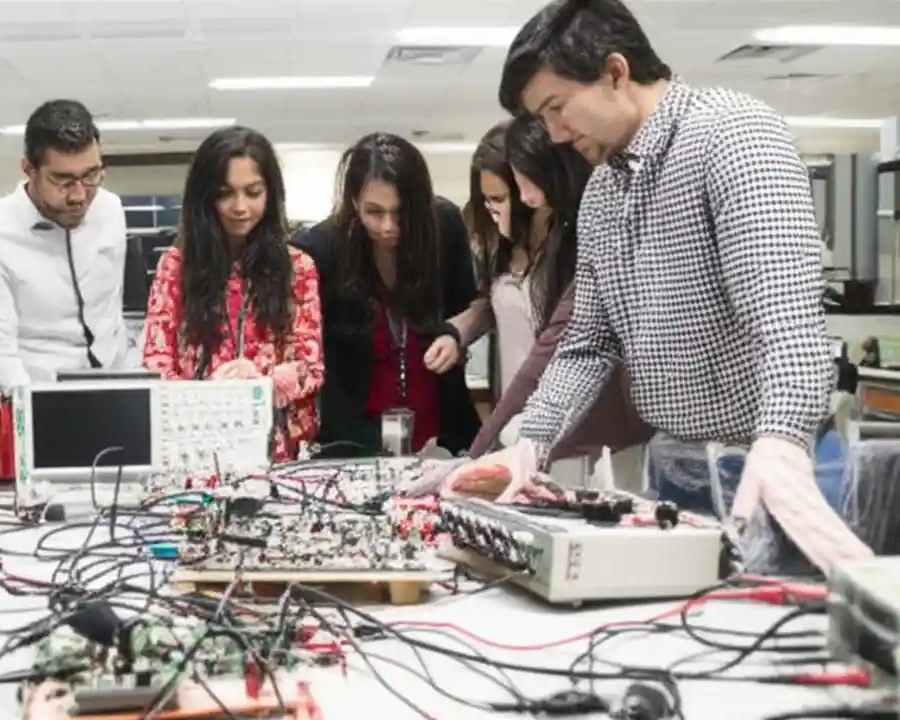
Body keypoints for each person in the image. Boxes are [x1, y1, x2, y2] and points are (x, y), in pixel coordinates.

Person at [441, 0, 869, 571]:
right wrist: (530, 443)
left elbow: (786, 319)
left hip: (768, 465)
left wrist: (785, 436)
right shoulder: (601, 196)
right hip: (674, 468)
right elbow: (588, 343)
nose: (556, 135)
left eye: (557, 108)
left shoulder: (731, 135)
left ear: (615, 72)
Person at [462, 115, 649, 462]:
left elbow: (557, 347)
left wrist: (478, 451)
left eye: (504, 197)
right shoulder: (503, 248)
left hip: (579, 428)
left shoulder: (581, 242)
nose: (495, 210)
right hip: (526, 417)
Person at [142, 126, 323, 462]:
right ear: (205, 196)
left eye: (253, 192)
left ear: (271, 194)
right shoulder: (176, 266)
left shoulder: (297, 267)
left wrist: (258, 385)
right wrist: (212, 395)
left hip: (276, 448)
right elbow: (156, 362)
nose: (241, 207)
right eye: (225, 193)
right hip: (195, 445)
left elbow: (310, 367)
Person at [292, 133, 479, 457]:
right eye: (374, 212)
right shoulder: (322, 248)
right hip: (354, 440)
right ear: (353, 203)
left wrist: (455, 335)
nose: (388, 226)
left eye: (401, 212)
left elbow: (477, 305)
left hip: (441, 430)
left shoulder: (443, 226)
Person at [0, 99, 129, 390]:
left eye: (91, 175)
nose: (79, 195)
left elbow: (112, 311)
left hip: (114, 382)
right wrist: (28, 411)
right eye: (62, 180)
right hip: (39, 389)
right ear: (28, 169)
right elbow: (0, 346)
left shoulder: (110, 209)